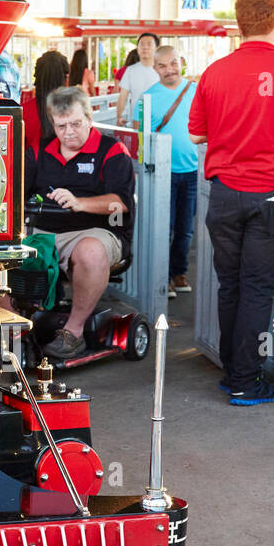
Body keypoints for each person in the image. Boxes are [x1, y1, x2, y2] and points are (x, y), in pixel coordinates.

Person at [188, 0, 274, 406]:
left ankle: (234, 373)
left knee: (230, 287)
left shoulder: (214, 72)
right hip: (271, 197)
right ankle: (247, 381)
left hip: (225, 194)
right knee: (256, 291)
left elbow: (197, 133)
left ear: (240, 24)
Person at [25, 85, 135, 360]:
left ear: (89, 117)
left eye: (76, 123)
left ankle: (73, 333)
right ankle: (16, 330)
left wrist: (80, 202)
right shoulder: (39, 151)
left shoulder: (111, 151)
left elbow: (120, 204)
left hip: (96, 231)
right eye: (62, 126)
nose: (69, 132)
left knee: (89, 250)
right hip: (42, 231)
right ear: (53, 122)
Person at [140, 46, 199, 297]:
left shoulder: (196, 91)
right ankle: (162, 277)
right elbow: (140, 138)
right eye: (162, 66)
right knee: (165, 227)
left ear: (181, 62)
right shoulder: (148, 97)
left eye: (173, 63)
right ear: (155, 68)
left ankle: (178, 271)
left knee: (186, 228)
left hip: (194, 170)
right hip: (163, 173)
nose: (169, 70)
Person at [21, 50, 70, 155]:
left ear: (37, 78)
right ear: (64, 79)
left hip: (32, 169)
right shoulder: (73, 109)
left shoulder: (24, 111)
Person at [116, 33, 160, 125]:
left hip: (159, 122)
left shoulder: (162, 70)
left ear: (156, 48)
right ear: (137, 48)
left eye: (149, 44)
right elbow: (123, 96)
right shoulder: (130, 70)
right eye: (141, 44)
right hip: (137, 122)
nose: (145, 47)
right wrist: (119, 116)